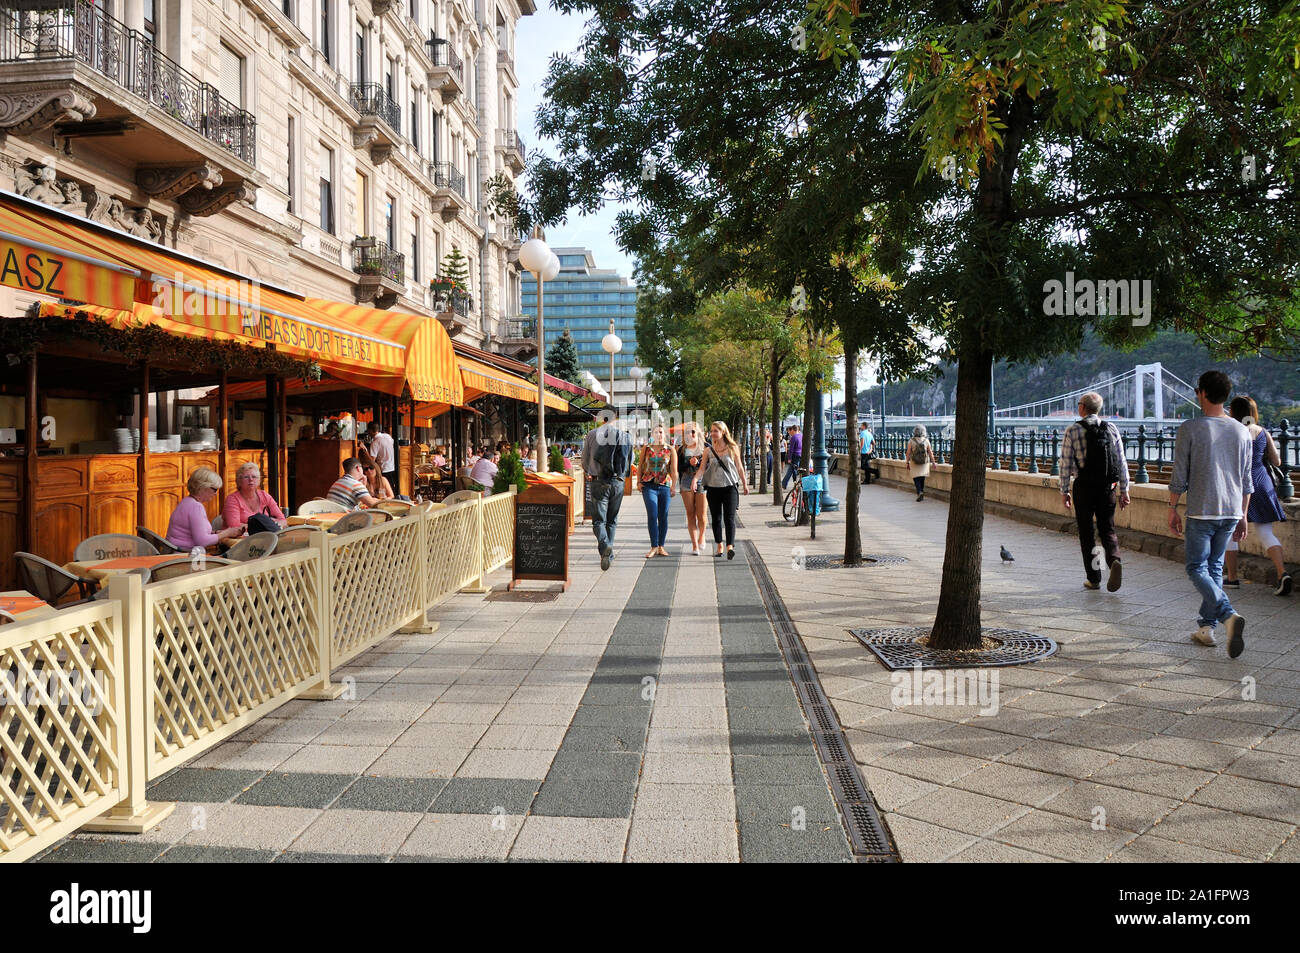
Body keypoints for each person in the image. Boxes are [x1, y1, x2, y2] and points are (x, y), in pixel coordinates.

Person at [1168, 370, 1253, 657]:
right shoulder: (1242, 430)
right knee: (1214, 567)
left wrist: (1172, 507)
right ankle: (1206, 628)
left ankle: (1228, 616)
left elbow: (1179, 475)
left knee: (1195, 568)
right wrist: (1243, 514)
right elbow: (1246, 480)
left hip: (1202, 509)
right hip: (1230, 509)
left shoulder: (1190, 428)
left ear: (1202, 393)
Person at [1059, 392, 1131, 591]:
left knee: (1087, 534)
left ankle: (1095, 577)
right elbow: (1121, 462)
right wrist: (1125, 490)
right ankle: (1114, 559)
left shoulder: (1073, 430)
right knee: (1107, 528)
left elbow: (1065, 464)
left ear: (1082, 407)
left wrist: (1064, 491)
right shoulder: (1111, 427)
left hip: (1084, 487)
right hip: (1108, 487)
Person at [1224, 396, 1291, 595]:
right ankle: (1282, 573)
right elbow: (1277, 461)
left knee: (1231, 532)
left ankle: (1233, 578)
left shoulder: (1232, 432)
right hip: (1262, 483)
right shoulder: (1263, 432)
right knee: (1265, 533)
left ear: (1234, 412)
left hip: (1238, 484)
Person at [582, 412, 634, 571]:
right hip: (618, 483)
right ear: (615, 419)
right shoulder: (625, 437)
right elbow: (630, 461)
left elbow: (585, 460)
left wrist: (588, 470)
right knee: (612, 520)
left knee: (598, 521)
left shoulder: (591, 435)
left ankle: (605, 547)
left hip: (598, 481)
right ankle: (608, 554)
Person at [695, 420, 749, 559]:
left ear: (723, 432)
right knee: (716, 518)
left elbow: (739, 467)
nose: (712, 433)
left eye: (715, 431)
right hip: (713, 488)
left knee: (729, 518)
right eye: (711, 431)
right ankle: (719, 545)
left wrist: (744, 483)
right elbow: (701, 469)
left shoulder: (732, 448)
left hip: (730, 487)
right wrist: (695, 480)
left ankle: (730, 546)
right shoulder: (708, 450)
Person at [167, 467, 246, 550]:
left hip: (177, 552)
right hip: (185, 556)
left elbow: (193, 533)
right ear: (202, 487)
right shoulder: (196, 507)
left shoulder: (186, 501)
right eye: (214, 489)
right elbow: (202, 541)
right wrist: (227, 533)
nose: (216, 494)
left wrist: (216, 533)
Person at [638, 423, 678, 558]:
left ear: (665, 434)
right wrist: (638, 482)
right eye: (656, 432)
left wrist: (673, 487)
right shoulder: (646, 448)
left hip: (665, 485)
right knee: (652, 514)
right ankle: (653, 546)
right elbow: (640, 466)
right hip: (649, 485)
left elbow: (674, 470)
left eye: (661, 432)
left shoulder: (670, 449)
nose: (659, 434)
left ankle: (661, 546)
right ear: (652, 434)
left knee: (663, 516)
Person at [223, 462, 288, 533]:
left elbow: (282, 520)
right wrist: (267, 525)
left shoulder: (264, 495)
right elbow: (234, 527)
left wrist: (272, 525)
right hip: (238, 541)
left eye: (254, 477)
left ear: (259, 480)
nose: (251, 479)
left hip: (265, 538)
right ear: (239, 481)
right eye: (246, 477)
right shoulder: (232, 499)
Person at [678, 422, 708, 555]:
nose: (690, 434)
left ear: (699, 433)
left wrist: (699, 463)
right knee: (690, 513)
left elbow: (711, 466)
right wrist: (688, 463)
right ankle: (695, 545)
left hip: (702, 480)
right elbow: (678, 468)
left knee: (701, 515)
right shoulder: (681, 449)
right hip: (686, 480)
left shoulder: (706, 447)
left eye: (693, 432)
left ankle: (702, 536)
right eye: (688, 432)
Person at [906, 425, 938, 500]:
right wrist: (933, 462)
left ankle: (919, 491)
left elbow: (908, 452)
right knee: (922, 478)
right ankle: (921, 491)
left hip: (914, 462)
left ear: (914, 432)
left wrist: (907, 462)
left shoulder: (911, 441)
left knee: (916, 478)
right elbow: (930, 452)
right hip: (924, 462)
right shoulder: (926, 440)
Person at [366, 422, 397, 491]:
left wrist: (365, 450)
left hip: (383, 469)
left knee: (385, 489)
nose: (368, 433)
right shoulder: (388, 436)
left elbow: (372, 460)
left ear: (371, 430)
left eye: (368, 431)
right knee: (391, 488)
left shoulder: (375, 443)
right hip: (392, 467)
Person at [781, 425, 802, 489]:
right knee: (794, 469)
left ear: (793, 430)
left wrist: (789, 458)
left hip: (795, 455)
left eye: (791, 430)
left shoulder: (793, 437)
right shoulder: (801, 436)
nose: (790, 432)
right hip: (800, 454)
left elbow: (791, 449)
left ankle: (784, 484)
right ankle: (794, 483)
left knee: (791, 470)